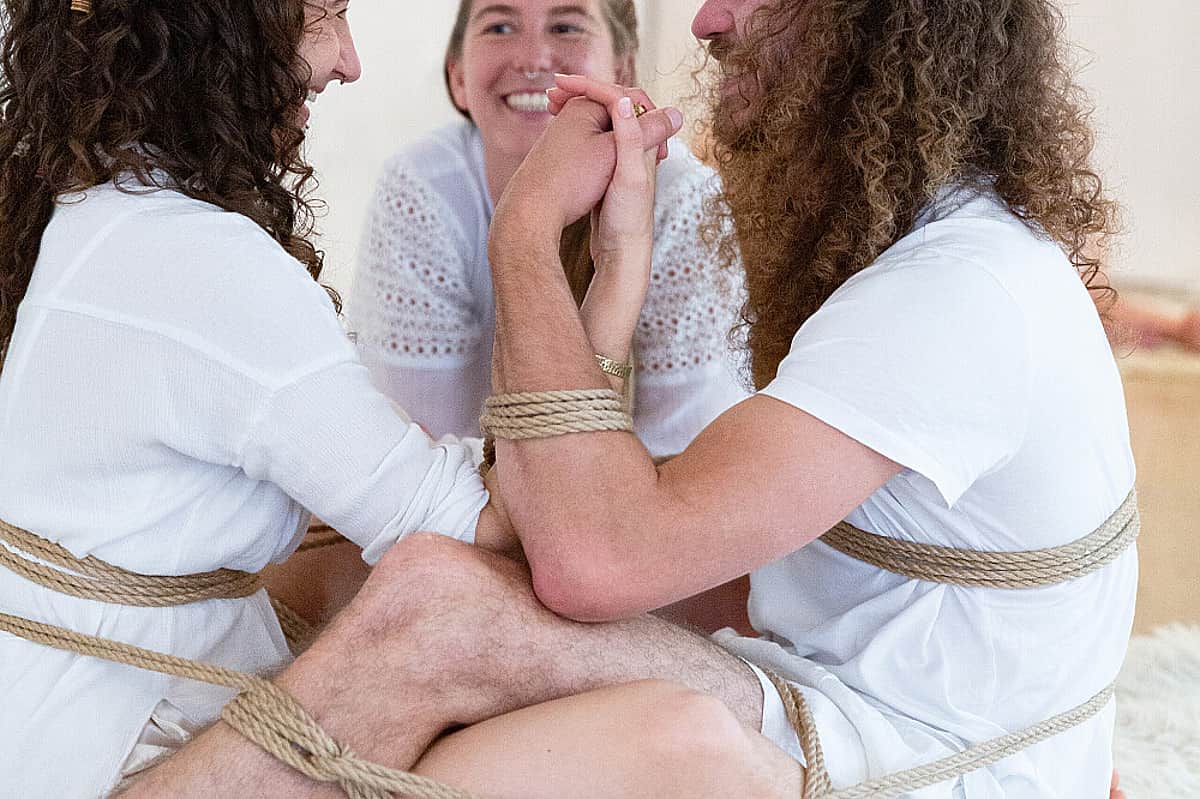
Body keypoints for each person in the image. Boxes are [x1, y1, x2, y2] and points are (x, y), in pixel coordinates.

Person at [13, 3, 1138, 799]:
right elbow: (564, 537)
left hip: (918, 753)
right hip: (836, 693)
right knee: (421, 591)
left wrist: (528, 249)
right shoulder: (936, 266)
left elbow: (589, 553)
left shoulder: (955, 292)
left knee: (436, 606)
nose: (708, 20)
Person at [0, 1, 512, 795]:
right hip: (96, 746)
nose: (349, 60)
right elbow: (473, 531)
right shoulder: (196, 260)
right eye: (326, 16)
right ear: (221, 23)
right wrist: (544, 247)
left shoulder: (109, 206)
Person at [345, 0, 748, 457]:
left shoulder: (682, 198)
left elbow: (685, 453)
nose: (533, 59)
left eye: (565, 26)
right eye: (499, 27)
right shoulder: (422, 188)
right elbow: (416, 460)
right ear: (458, 76)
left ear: (622, 68)